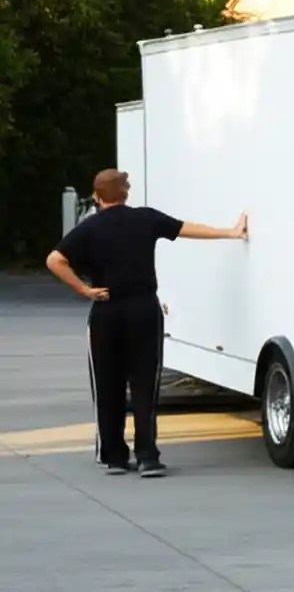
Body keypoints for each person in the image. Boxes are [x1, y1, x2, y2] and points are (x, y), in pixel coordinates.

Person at [45, 169, 248, 477]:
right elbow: (186, 229)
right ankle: (147, 457)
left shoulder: (89, 228)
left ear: (97, 196)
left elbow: (54, 260)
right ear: (126, 194)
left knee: (107, 384)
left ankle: (113, 455)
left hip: (106, 309)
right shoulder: (146, 219)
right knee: (144, 383)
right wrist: (230, 233)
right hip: (143, 310)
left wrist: (84, 289)